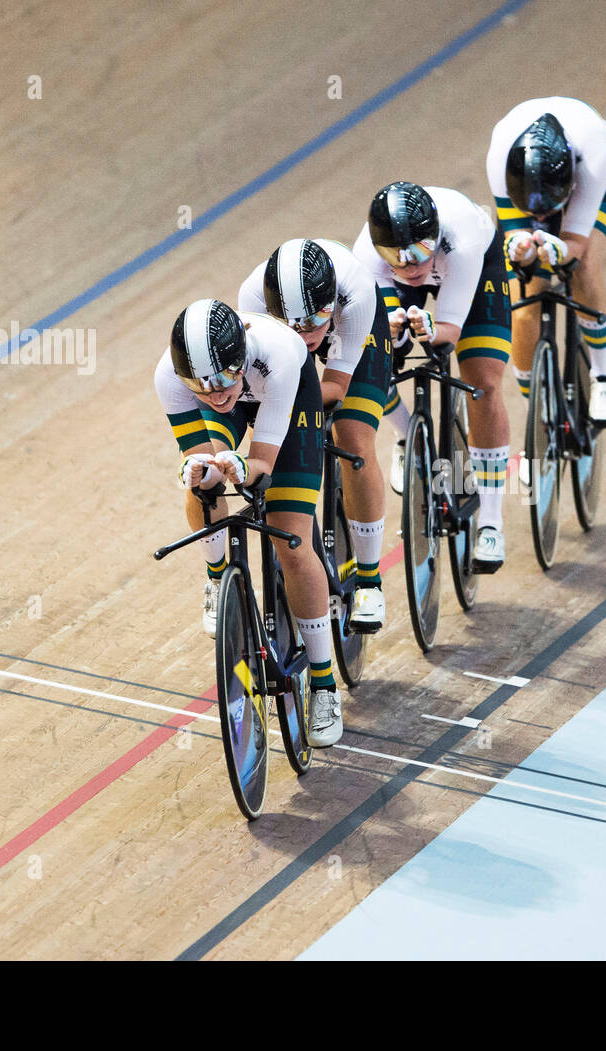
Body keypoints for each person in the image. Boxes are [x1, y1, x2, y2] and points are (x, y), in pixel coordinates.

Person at [153, 298, 343, 747]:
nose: (215, 393)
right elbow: (196, 454)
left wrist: (244, 466)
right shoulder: (171, 377)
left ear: (240, 359)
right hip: (234, 418)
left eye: (222, 378)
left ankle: (323, 685)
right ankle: (217, 578)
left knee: (291, 539)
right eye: (200, 385)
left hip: (289, 405)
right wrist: (198, 469)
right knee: (205, 480)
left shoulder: (276, 353)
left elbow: (261, 462)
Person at [353, 181, 512, 572]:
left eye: (419, 252)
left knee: (483, 384)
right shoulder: (368, 256)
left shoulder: (462, 240)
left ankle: (491, 522)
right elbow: (380, 331)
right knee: (371, 360)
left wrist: (428, 326)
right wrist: (395, 331)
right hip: (401, 290)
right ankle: (407, 433)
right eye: (396, 256)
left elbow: (449, 332)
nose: (409, 265)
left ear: (435, 237)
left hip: (473, 272)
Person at [239, 237, 391, 632]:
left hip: (349, 334)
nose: (302, 334)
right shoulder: (253, 299)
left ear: (330, 305)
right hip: (285, 360)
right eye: (291, 323)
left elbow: (336, 389)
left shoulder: (354, 292)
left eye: (311, 323)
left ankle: (370, 581)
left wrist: (290, 409)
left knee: (353, 436)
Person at [486, 96, 606, 426]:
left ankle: (604, 375)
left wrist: (562, 252)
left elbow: (575, 243)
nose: (540, 216)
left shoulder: (592, 159)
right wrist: (521, 249)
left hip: (601, 172)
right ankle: (535, 409)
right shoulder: (499, 158)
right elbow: (513, 235)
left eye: (547, 210)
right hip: (532, 181)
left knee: (584, 267)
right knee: (523, 303)